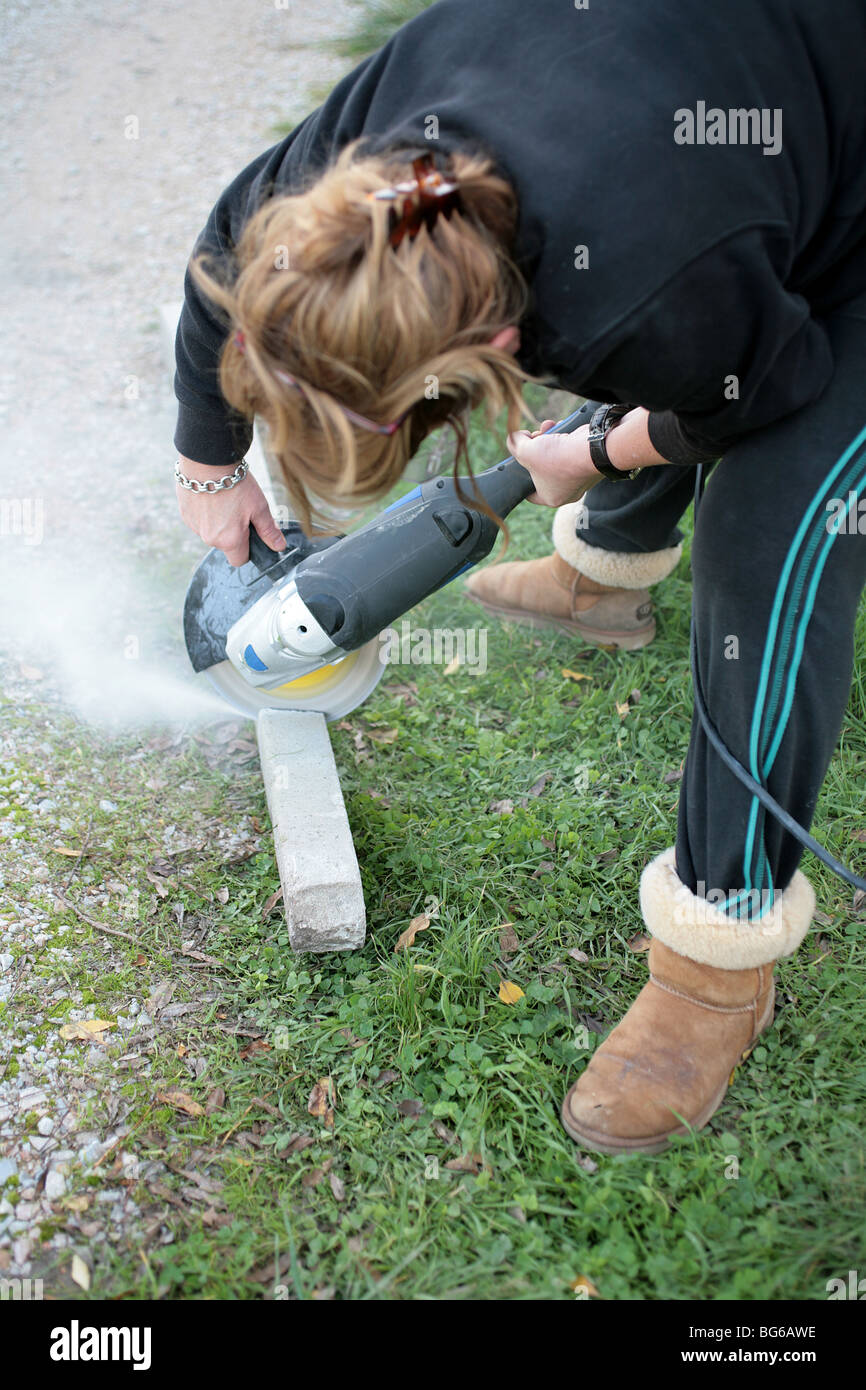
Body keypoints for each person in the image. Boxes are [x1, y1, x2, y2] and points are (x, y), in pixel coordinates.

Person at [173, 0, 866, 1154]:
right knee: (663, 339)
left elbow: (756, 390)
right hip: (718, 127)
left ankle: (714, 957)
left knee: (768, 537)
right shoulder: (353, 179)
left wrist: (587, 452)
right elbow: (219, 262)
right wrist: (207, 460)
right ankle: (605, 575)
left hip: (832, 199)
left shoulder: (639, 276)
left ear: (490, 353)